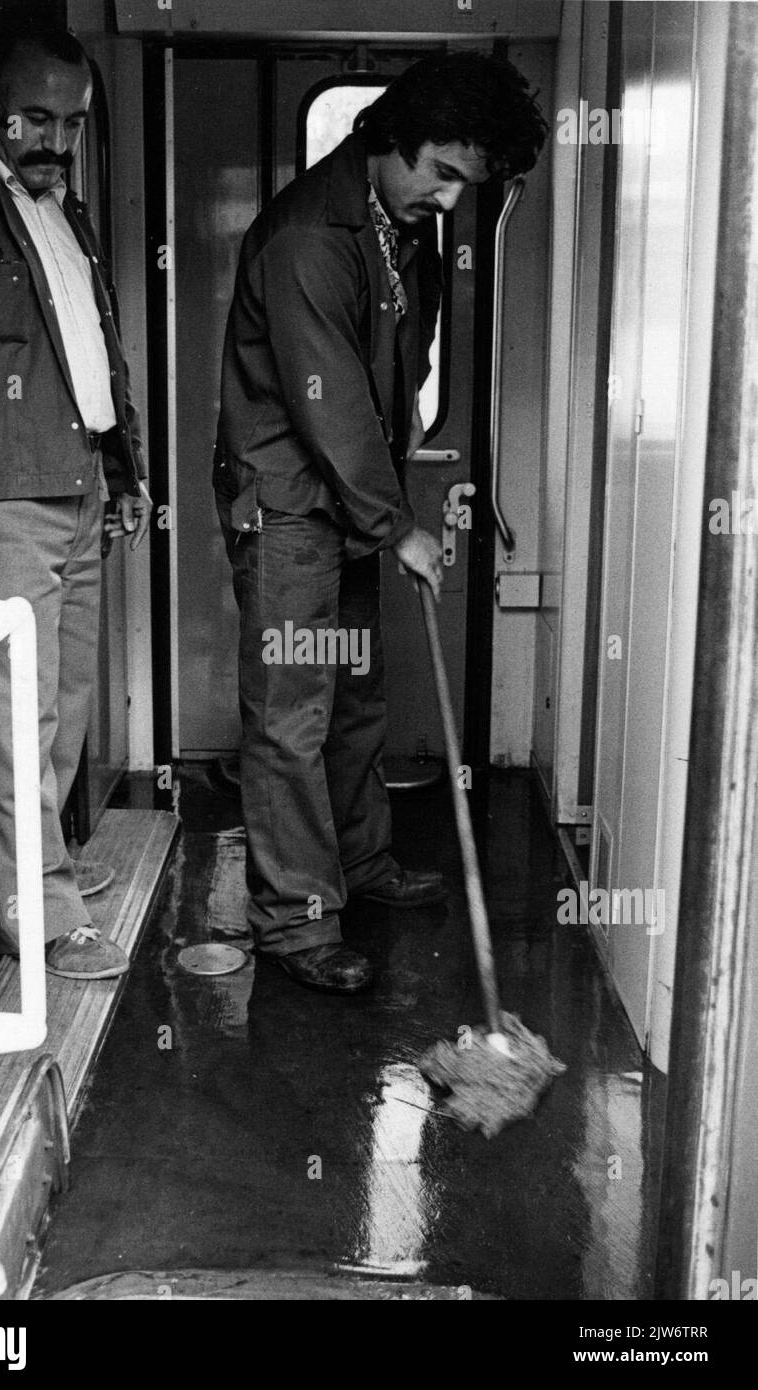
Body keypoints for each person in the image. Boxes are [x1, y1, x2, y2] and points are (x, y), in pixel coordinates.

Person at [214, 52, 547, 994]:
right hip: (286, 506)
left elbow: (394, 382)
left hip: (351, 501)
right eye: (440, 171)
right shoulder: (307, 238)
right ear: (388, 137)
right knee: (290, 717)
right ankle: (296, 920)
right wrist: (394, 519)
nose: (447, 197)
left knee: (354, 694)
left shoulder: (402, 228)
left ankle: (358, 867)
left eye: (464, 183)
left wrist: (387, 511)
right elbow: (327, 402)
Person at [0, 22, 152, 979]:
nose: (53, 140)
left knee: (69, 697)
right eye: (34, 118)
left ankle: (55, 870)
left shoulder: (63, 214)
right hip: (12, 496)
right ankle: (37, 912)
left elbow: (90, 351)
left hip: (82, 481)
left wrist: (124, 471)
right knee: (21, 714)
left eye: (70, 122)